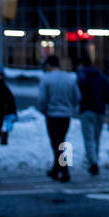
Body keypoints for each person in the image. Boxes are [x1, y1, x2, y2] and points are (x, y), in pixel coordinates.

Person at [37, 54, 80, 182]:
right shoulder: (69, 78)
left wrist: (43, 109)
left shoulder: (46, 79)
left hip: (52, 114)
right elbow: (77, 97)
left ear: (49, 65)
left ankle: (64, 170)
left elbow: (42, 99)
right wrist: (70, 107)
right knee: (60, 141)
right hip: (66, 115)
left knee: (56, 143)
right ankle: (56, 170)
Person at [76, 56, 109, 175]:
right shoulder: (101, 77)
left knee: (89, 139)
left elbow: (77, 93)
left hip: (87, 110)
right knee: (96, 138)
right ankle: (94, 160)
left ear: (82, 64)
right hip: (100, 111)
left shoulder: (82, 76)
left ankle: (93, 162)